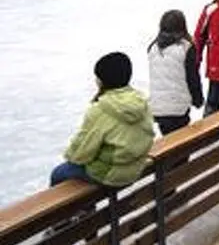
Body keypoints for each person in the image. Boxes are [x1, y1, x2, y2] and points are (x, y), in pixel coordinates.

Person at [50, 52, 155, 188]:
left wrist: (70, 155)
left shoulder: (101, 109)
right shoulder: (141, 101)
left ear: (102, 80)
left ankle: (85, 209)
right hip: (135, 168)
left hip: (111, 174)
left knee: (58, 173)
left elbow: (81, 152)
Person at [148, 10, 204, 136]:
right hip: (178, 108)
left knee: (168, 138)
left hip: (157, 106)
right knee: (180, 141)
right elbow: (192, 78)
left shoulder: (153, 47)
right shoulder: (186, 48)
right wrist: (198, 99)